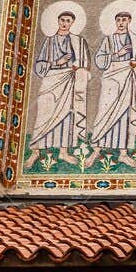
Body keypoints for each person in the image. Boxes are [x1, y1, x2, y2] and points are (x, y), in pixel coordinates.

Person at [28, 9, 91, 167]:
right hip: (51, 80)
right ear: (58, 21)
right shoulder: (49, 41)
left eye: (68, 21)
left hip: (70, 80)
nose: (64, 23)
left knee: (67, 115)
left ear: (72, 23)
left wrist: (78, 68)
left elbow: (85, 63)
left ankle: (63, 152)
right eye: (62, 20)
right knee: (44, 114)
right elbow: (39, 65)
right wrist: (58, 63)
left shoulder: (78, 41)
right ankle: (36, 151)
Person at [91, 10, 136, 168]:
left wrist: (135, 63)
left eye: (124, 19)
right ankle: (96, 149)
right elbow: (100, 60)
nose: (121, 22)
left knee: (125, 114)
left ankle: (123, 154)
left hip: (129, 77)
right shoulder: (108, 40)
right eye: (118, 20)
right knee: (104, 112)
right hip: (111, 79)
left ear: (130, 21)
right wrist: (117, 53)